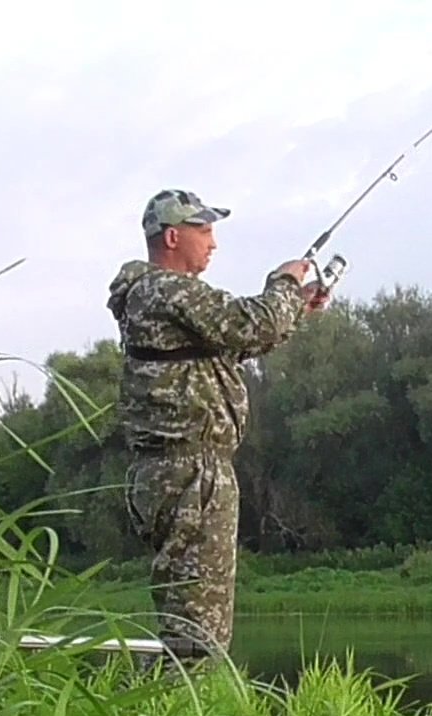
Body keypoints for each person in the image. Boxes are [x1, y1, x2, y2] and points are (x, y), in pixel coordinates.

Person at [105, 189, 328, 665]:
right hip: (190, 474)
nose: (213, 242)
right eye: (203, 230)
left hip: (181, 471)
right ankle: (178, 710)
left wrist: (296, 307)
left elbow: (236, 344)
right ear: (172, 237)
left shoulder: (156, 298)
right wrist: (285, 282)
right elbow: (252, 324)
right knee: (197, 637)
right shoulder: (168, 290)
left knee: (193, 628)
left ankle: (162, 703)